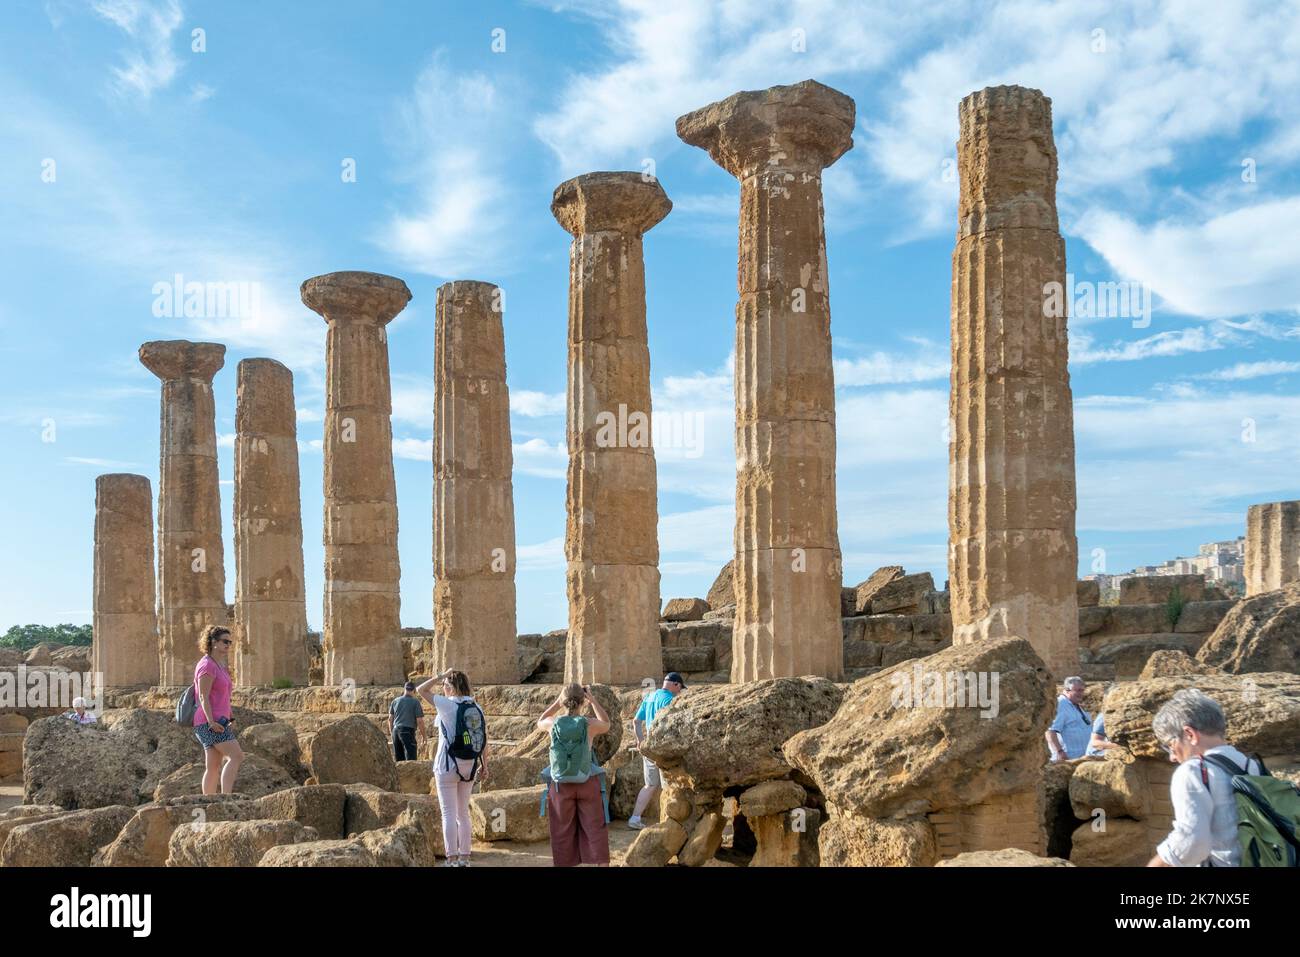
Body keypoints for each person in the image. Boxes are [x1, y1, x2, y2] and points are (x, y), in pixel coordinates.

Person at [1147, 688, 1263, 867]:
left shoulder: (1193, 771)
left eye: (1170, 745)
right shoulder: (1251, 765)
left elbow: (1193, 842)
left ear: (1190, 734)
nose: (1172, 756)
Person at [416, 669, 488, 867]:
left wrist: (441, 675)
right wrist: (485, 765)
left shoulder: (447, 705)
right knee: (463, 813)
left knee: (448, 813)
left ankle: (452, 859)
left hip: (447, 765)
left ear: (450, 687)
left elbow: (421, 689)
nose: (443, 689)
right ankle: (465, 858)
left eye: (445, 686)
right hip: (470, 766)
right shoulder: (477, 707)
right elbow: (484, 739)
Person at [537, 683, 612, 867]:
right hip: (586, 780)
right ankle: (601, 863)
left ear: (564, 701)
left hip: (560, 785)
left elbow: (540, 720)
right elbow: (607, 724)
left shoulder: (553, 724)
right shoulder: (588, 724)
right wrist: (593, 699)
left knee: (561, 830)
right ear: (582, 702)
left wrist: (557, 703)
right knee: (594, 826)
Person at [628, 672, 685, 829]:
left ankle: (634, 818)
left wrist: (641, 742)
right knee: (669, 785)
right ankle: (668, 822)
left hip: (649, 748)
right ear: (676, 685)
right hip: (663, 748)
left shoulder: (650, 697)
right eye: (680, 689)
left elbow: (636, 721)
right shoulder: (669, 700)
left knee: (650, 785)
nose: (679, 692)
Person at [193, 625, 243, 794]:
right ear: (213, 642)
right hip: (209, 721)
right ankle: (226, 797)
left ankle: (209, 801)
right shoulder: (207, 665)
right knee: (236, 756)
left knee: (213, 765)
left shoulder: (219, 665)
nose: (228, 645)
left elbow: (223, 696)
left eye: (230, 642)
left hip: (219, 721)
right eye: (224, 641)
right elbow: (203, 696)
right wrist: (211, 721)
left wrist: (230, 717)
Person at [1045, 676, 1092, 762]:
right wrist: (1059, 752)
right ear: (1067, 690)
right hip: (1067, 759)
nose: (1081, 693)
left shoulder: (1075, 704)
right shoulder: (1061, 704)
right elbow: (1050, 731)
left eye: (1082, 690)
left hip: (1081, 758)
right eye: (1078, 690)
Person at [387, 681, 425, 762]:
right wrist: (424, 736)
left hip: (395, 731)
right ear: (414, 690)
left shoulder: (395, 701)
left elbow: (390, 719)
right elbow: (420, 721)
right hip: (407, 731)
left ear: (404, 689)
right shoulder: (415, 702)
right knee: (411, 760)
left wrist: (392, 733)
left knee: (399, 761)